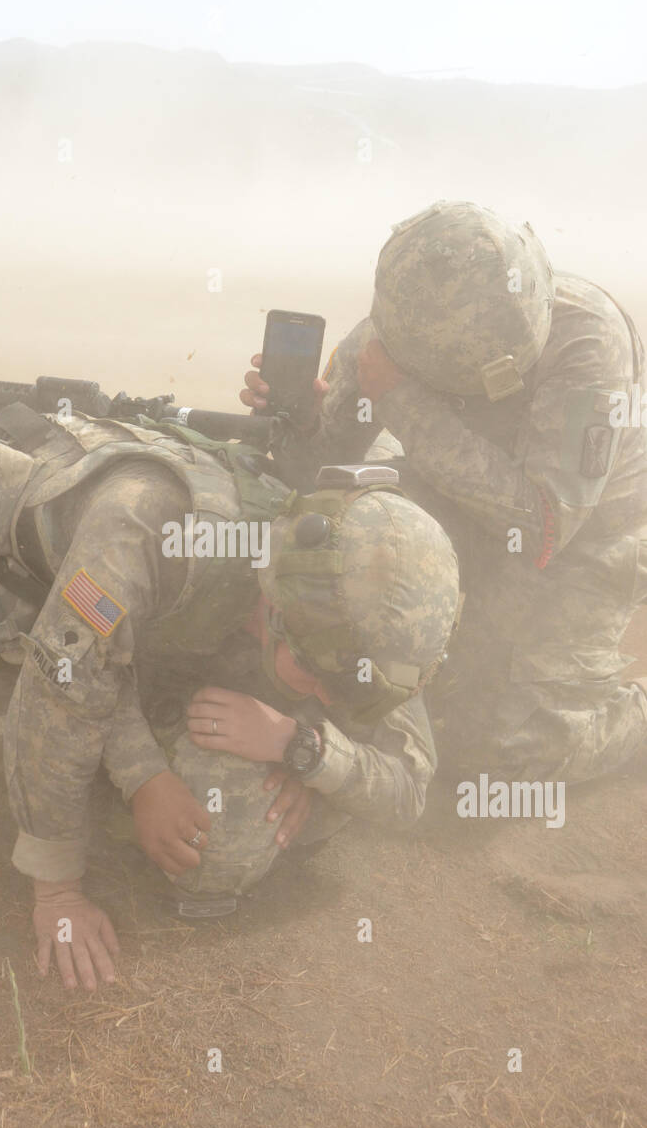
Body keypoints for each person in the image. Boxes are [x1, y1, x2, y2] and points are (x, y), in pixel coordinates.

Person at [0, 397, 459, 990]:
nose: (320, 693)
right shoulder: (142, 531)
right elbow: (68, 687)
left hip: (97, 596)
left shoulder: (370, 608)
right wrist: (64, 886)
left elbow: (406, 786)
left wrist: (305, 750)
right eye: (310, 674)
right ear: (273, 605)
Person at [241, 200, 647, 788]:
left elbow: (541, 527)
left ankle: (633, 716)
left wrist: (401, 399)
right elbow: (322, 466)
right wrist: (302, 416)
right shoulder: (404, 327)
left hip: (583, 544)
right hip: (456, 502)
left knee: (502, 759)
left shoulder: (589, 341)